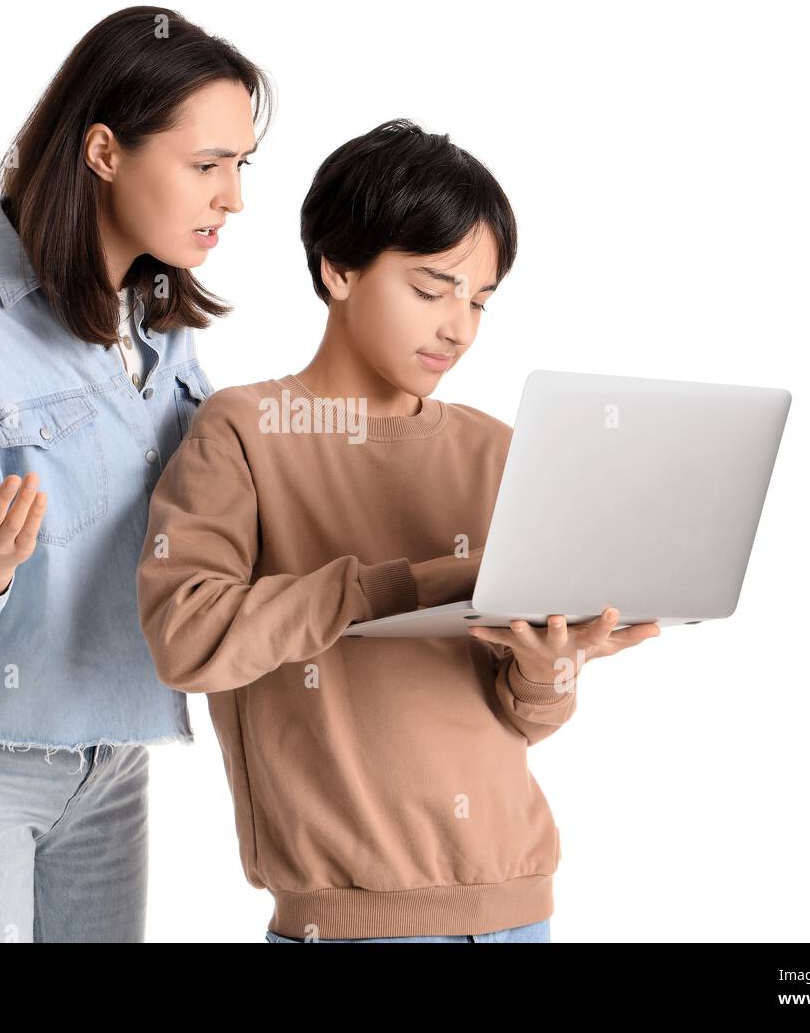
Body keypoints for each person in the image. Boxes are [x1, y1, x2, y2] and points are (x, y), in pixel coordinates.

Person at [136, 119, 662, 943]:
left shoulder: (497, 451)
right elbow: (188, 638)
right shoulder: (244, 431)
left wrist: (550, 670)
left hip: (521, 913)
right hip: (347, 926)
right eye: (432, 288)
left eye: (480, 300)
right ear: (338, 269)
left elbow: (521, 719)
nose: (460, 327)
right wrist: (402, 586)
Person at [0, 5, 272, 942]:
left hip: (109, 763)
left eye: (242, 165)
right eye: (207, 165)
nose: (233, 197)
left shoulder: (156, 318)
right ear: (106, 152)